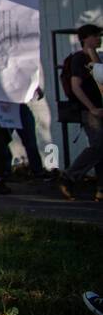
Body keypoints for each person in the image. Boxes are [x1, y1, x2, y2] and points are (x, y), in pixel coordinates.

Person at [59, 23, 103, 201]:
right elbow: (75, 86)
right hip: (90, 111)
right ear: (85, 39)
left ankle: (101, 189)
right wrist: (91, 108)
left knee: (101, 148)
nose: (99, 39)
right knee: (99, 146)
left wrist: (94, 56)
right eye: (95, 36)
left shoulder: (97, 58)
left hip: (100, 109)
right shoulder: (79, 59)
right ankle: (69, 176)